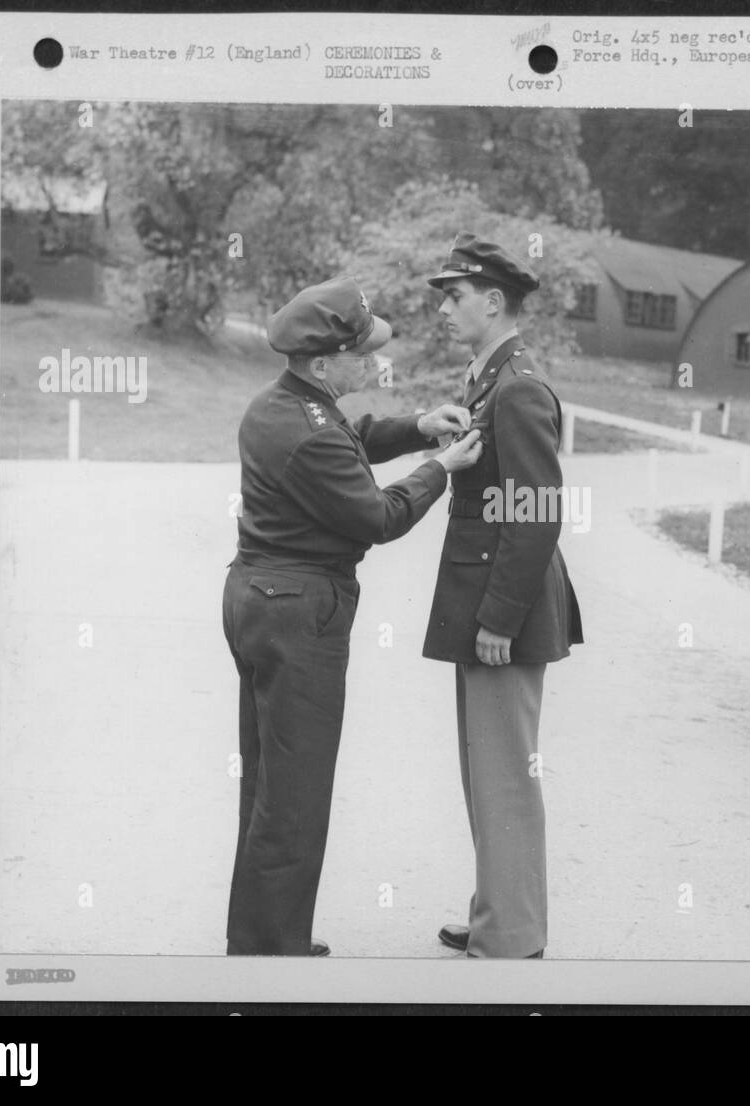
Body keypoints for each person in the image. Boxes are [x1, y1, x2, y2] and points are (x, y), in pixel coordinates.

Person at [222, 277, 483, 956]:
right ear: (321, 361)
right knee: (296, 793)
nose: (369, 362)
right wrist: (440, 467)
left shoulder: (280, 406)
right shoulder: (309, 434)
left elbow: (352, 437)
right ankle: (274, 955)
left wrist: (418, 426)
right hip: (299, 612)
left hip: (258, 598)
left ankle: (259, 941)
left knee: (267, 782)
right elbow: (377, 517)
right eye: (359, 352)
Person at [421, 234, 583, 959]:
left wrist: (498, 620)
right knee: (484, 769)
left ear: (493, 302)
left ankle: (513, 934)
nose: (446, 310)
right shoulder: (489, 380)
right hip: (486, 598)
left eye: (454, 298)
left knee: (505, 774)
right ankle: (495, 912)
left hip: (503, 609)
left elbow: (537, 511)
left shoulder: (516, 387)